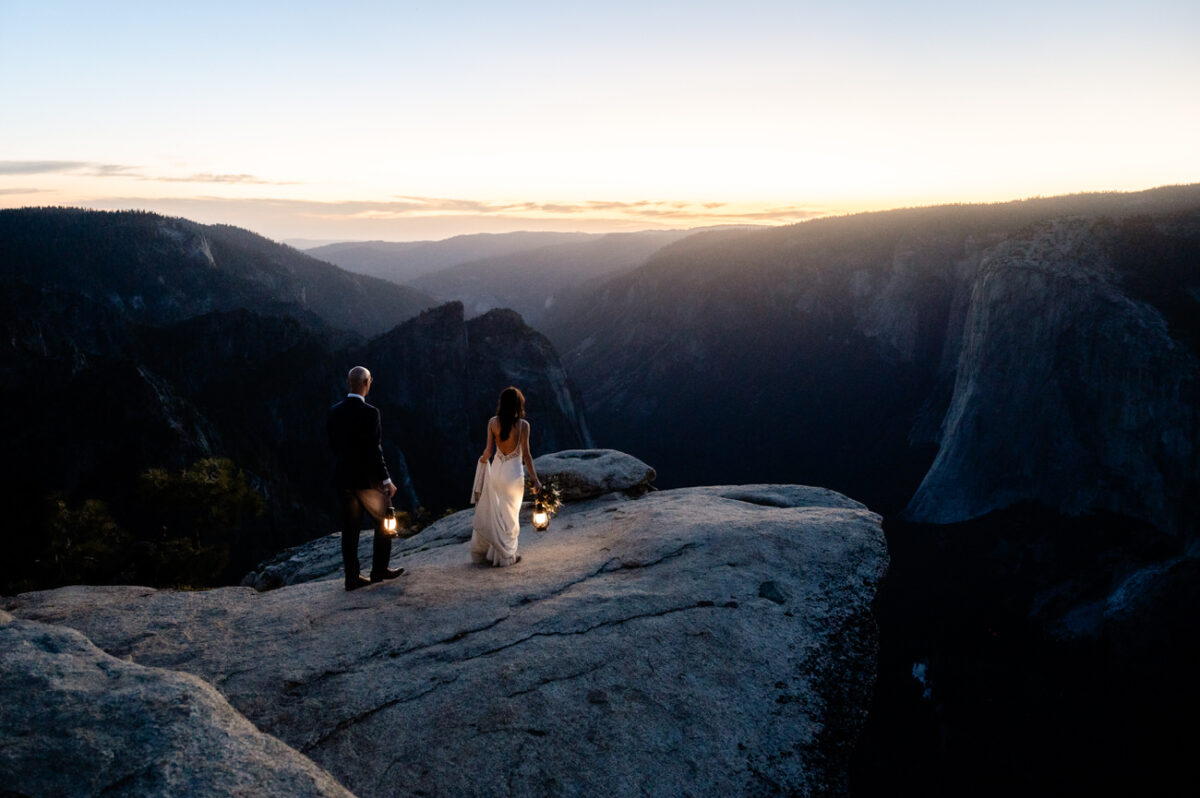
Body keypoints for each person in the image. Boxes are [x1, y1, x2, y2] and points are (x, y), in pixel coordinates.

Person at [327, 366, 404, 591]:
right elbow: (374, 450)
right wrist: (387, 480)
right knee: (386, 520)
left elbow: (333, 444)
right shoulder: (371, 413)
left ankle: (352, 578)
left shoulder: (334, 411)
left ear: (348, 383)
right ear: (367, 383)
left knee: (350, 530)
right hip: (367, 481)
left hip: (343, 478)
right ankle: (379, 570)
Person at [470, 386, 541, 567]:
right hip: (513, 475)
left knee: (498, 514)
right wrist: (535, 479)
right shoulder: (524, 426)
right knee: (510, 515)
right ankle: (505, 556)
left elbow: (488, 451)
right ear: (518, 404)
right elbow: (526, 455)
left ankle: (494, 553)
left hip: (497, 472)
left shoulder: (492, 422)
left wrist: (482, 462)